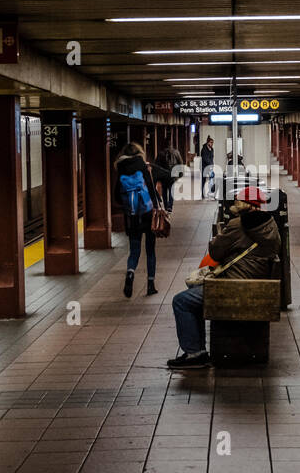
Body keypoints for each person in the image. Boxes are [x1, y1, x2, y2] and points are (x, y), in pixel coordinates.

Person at [167, 185, 280, 369]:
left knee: (181, 301)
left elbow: (215, 251)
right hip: (259, 288)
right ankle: (197, 350)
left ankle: (195, 353)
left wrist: (221, 236)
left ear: (241, 204)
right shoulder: (271, 226)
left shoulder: (238, 224)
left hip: (234, 287)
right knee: (194, 293)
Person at [113, 142, 162, 298]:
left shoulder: (121, 169)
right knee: (150, 250)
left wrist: (128, 205)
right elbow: (152, 189)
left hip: (132, 216)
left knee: (134, 251)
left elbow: (116, 197)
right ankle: (150, 284)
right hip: (147, 213)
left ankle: (130, 273)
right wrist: (157, 205)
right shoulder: (142, 165)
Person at [154, 145, 183, 213]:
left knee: (164, 190)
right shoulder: (176, 152)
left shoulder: (160, 153)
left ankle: (166, 206)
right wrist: (180, 173)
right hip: (173, 174)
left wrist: (157, 175)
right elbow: (180, 163)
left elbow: (156, 164)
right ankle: (170, 206)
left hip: (163, 175)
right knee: (171, 190)